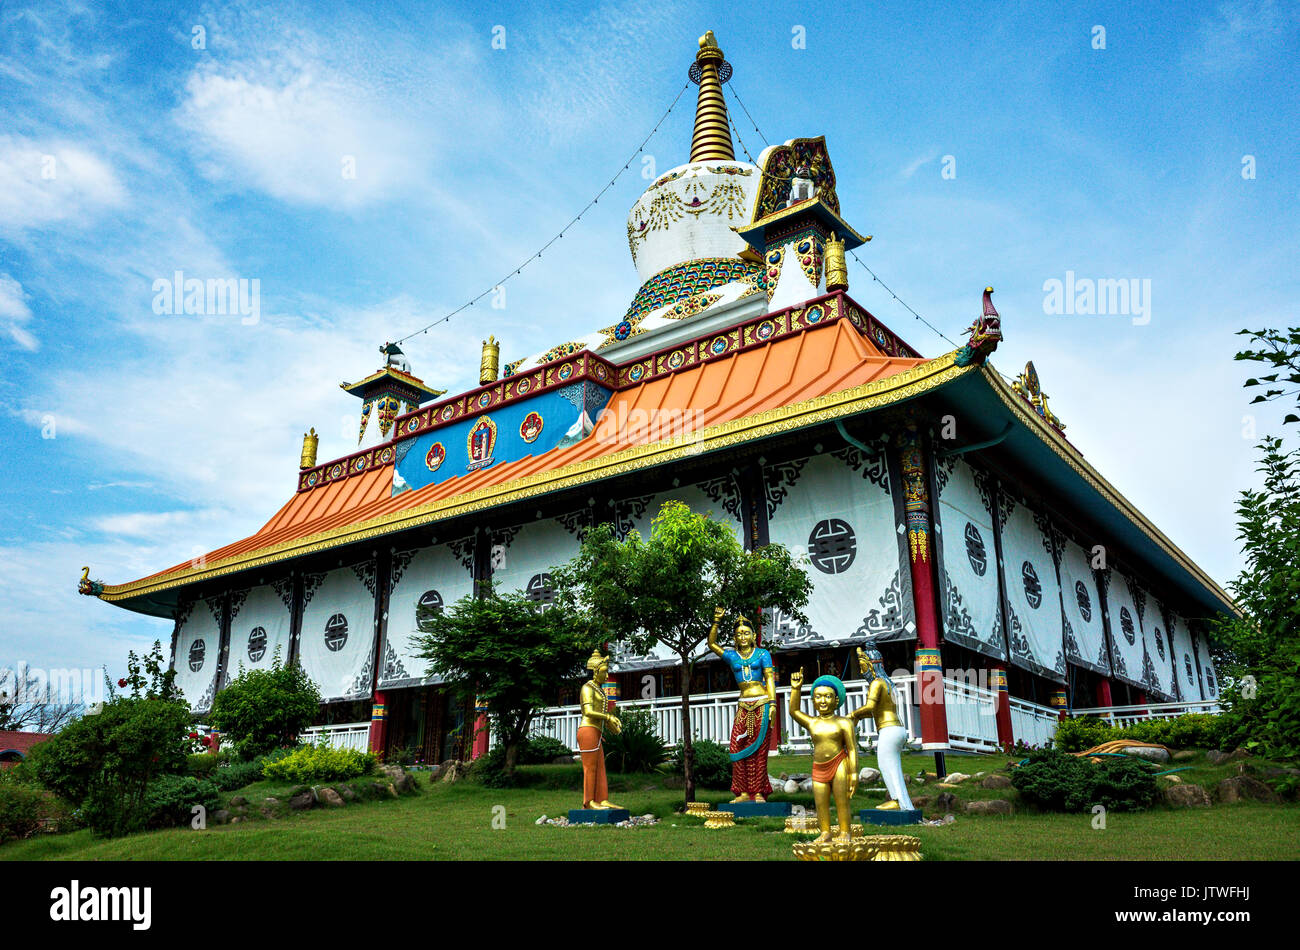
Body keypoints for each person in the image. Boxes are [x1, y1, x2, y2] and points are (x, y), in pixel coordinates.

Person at [708, 606, 777, 802]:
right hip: (743, 704)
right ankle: (743, 792)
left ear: (754, 635)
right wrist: (716, 621)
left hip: (762, 703)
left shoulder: (763, 654)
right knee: (737, 746)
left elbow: (770, 680)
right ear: (735, 638)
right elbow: (712, 644)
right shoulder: (732, 656)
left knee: (759, 749)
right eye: (739, 634)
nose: (743, 636)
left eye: (746, 632)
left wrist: (772, 705)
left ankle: (758, 792)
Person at [788, 669, 858, 842]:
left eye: (827, 696)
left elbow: (852, 749)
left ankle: (845, 832)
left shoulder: (844, 723)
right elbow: (794, 711)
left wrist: (854, 773)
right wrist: (796, 689)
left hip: (839, 763)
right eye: (818, 696)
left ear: (836, 700)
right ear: (813, 701)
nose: (823, 701)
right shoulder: (813, 722)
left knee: (841, 800)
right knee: (821, 803)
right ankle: (825, 831)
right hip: (819, 766)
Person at [851, 646, 914, 811]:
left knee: (887, 765)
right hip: (897, 728)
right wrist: (858, 716)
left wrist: (853, 714)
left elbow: (870, 706)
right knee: (893, 767)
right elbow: (876, 711)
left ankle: (897, 801)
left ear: (871, 665)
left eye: (863, 665)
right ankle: (904, 804)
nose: (861, 669)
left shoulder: (876, 683)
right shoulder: (888, 682)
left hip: (888, 730)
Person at [577, 649, 623, 810]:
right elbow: (588, 712)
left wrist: (611, 719)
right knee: (590, 768)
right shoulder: (587, 688)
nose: (607, 676)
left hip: (596, 731)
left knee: (600, 766)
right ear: (595, 672)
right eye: (604, 672)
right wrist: (608, 717)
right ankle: (589, 801)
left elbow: (602, 713)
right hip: (587, 730)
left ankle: (602, 799)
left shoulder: (599, 689)